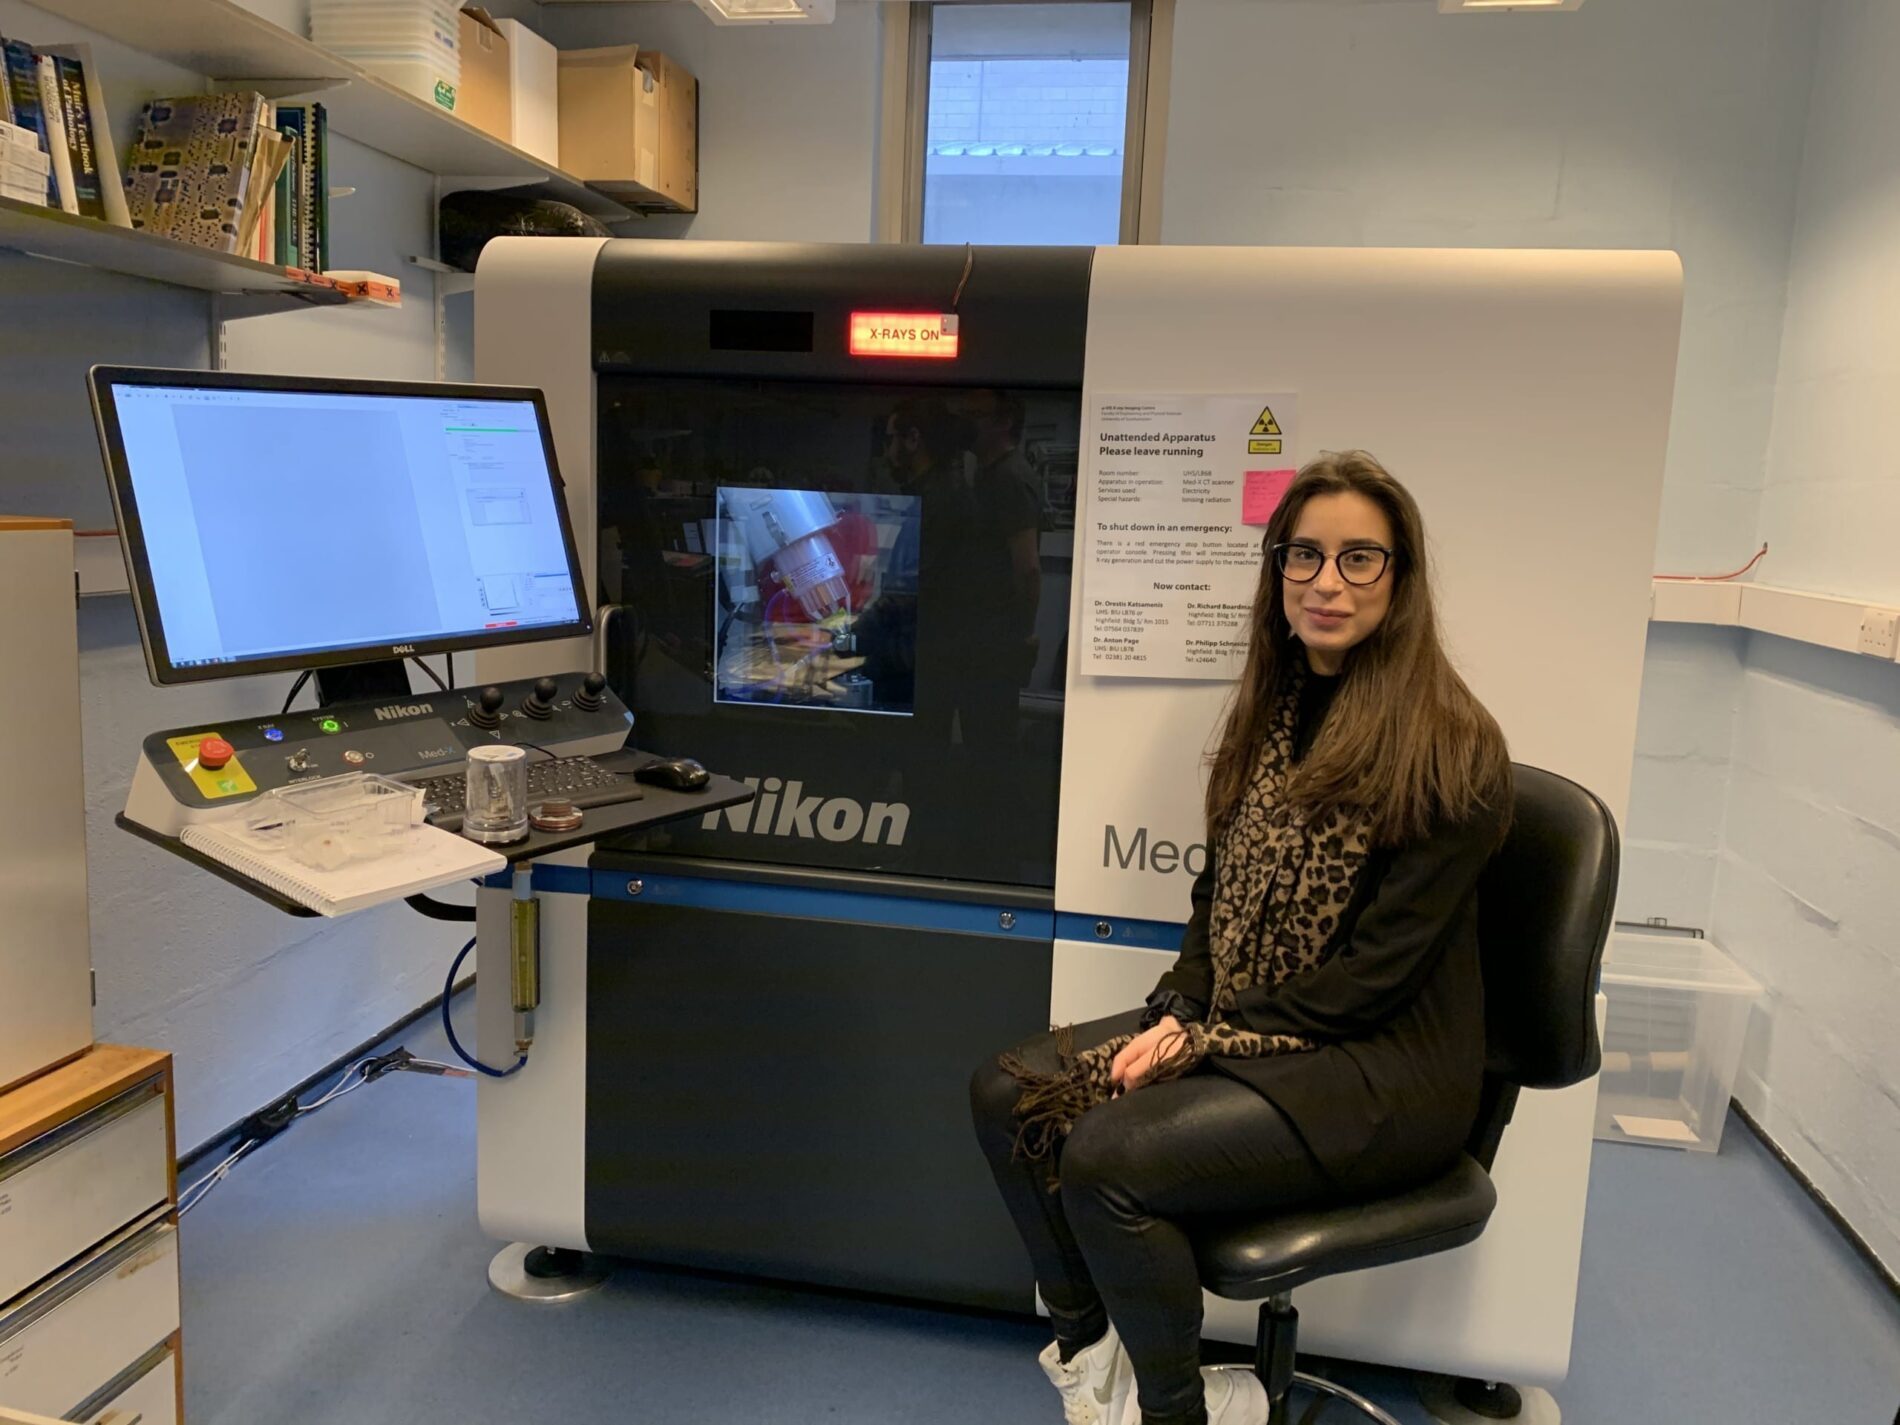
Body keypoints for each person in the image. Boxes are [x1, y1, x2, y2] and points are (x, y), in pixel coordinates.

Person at [969, 451, 1514, 1425]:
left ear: (1400, 577)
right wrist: (1179, 1006)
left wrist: (1201, 1037)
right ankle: (1097, 1366)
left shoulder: (1451, 749)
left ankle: (1175, 1413)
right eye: (1303, 555)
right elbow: (1212, 898)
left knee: (1104, 1156)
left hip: (1384, 1069)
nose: (1326, 583)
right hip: (1261, 1024)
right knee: (1006, 1096)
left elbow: (1374, 979)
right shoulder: (1275, 704)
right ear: (1277, 569)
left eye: (1359, 558)